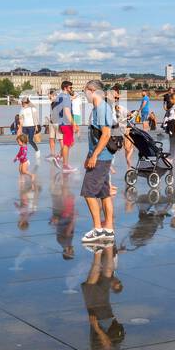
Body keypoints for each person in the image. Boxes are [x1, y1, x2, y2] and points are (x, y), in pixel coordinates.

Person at [80, 80, 117, 243]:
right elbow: (96, 136)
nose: (84, 95)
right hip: (100, 155)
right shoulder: (97, 108)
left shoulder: (102, 107)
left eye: (85, 91)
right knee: (104, 193)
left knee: (88, 192)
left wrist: (94, 156)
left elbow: (106, 134)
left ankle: (97, 229)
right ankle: (108, 229)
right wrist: (89, 155)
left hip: (101, 157)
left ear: (92, 90)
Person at [55, 80, 76, 171]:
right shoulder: (66, 97)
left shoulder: (59, 96)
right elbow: (67, 112)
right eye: (70, 87)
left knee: (70, 143)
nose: (72, 89)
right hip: (66, 123)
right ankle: (65, 165)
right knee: (67, 144)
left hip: (61, 122)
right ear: (65, 88)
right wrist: (74, 123)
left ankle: (59, 157)